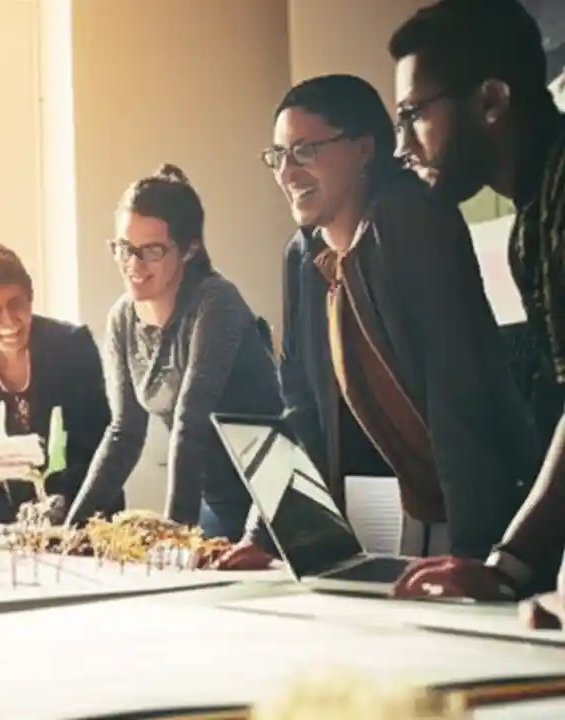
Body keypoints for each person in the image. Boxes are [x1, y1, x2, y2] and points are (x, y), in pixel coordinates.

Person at [218, 75, 539, 571]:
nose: (286, 173)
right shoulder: (303, 255)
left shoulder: (408, 217)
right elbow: (300, 403)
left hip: (487, 507)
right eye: (278, 155)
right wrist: (265, 533)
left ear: (364, 148)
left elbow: (458, 390)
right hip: (404, 509)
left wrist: (475, 554)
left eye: (304, 150)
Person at [387, 0, 565, 609]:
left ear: (491, 101)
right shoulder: (531, 224)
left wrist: (511, 563)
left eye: (413, 114)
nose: (400, 145)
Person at [64, 165, 283, 541]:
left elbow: (191, 419)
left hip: (272, 500)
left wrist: (173, 534)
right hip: (215, 501)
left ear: (189, 249)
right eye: (124, 248)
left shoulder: (215, 302)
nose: (133, 265)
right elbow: (123, 433)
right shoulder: (122, 317)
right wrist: (71, 530)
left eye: (151, 251)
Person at [0, 243, 113, 523]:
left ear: (30, 299)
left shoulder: (72, 346)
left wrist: (64, 507)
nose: (10, 321)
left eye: (16, 304)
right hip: (8, 522)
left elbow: (97, 445)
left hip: (85, 508)